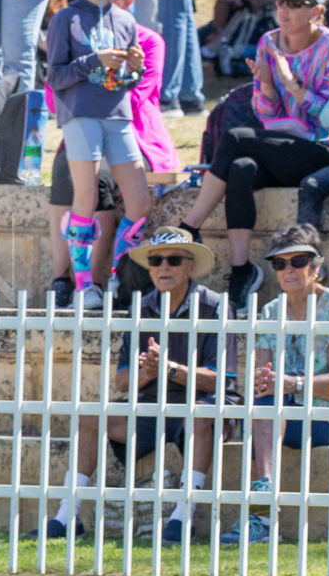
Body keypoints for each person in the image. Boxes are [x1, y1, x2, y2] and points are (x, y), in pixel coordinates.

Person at [28, 228, 236, 544]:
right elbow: (123, 381)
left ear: (189, 265)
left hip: (203, 405)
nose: (164, 267)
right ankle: (67, 516)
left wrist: (168, 368)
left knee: (199, 413)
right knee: (90, 417)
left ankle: (183, 517)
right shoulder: (141, 307)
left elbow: (221, 380)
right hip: (151, 403)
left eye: (173, 259)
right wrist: (149, 373)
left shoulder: (216, 305)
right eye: (156, 260)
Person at [179, 0, 329, 312]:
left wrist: (291, 84)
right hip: (279, 146)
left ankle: (189, 225)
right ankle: (241, 272)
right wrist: (267, 87)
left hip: (322, 150)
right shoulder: (268, 42)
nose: (284, 9)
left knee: (236, 138)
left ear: (316, 10)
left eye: (295, 3)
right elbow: (266, 115)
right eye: (280, 1)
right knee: (240, 168)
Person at [46, 0, 152, 309]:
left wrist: (134, 70)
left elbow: (125, 83)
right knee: (85, 198)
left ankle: (119, 274)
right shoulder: (65, 18)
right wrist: (95, 60)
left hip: (119, 117)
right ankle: (83, 284)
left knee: (139, 203)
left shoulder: (126, 21)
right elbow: (55, 76)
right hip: (80, 116)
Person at [220, 223, 329, 544]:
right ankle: (264, 500)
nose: (288, 269)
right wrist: (267, 381)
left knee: (268, 407)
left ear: (316, 266)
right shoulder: (272, 310)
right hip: (282, 419)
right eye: (280, 263)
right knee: (263, 404)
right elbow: (263, 381)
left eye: (297, 261)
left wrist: (292, 384)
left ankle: (260, 512)